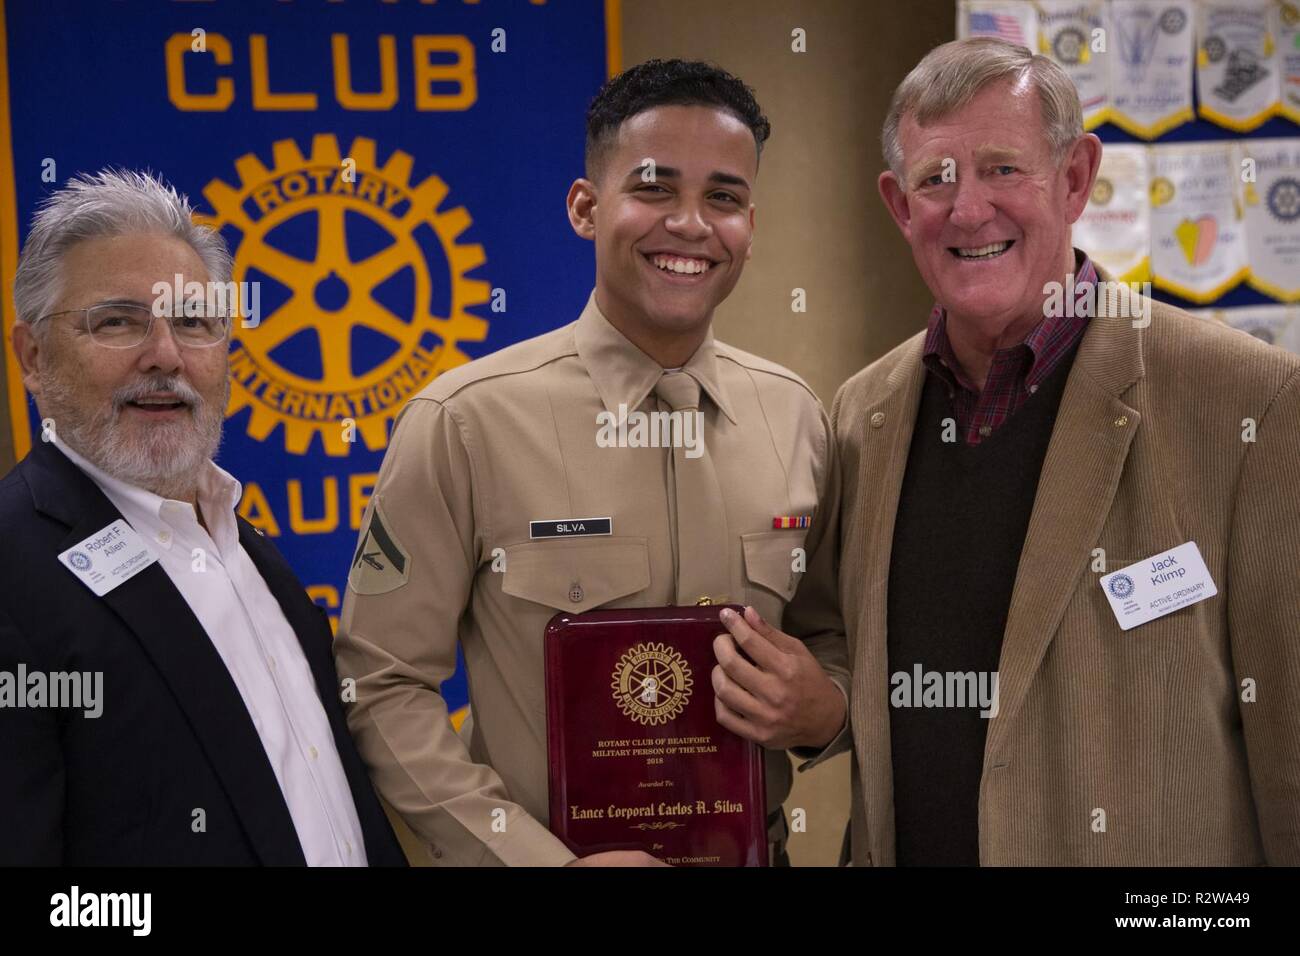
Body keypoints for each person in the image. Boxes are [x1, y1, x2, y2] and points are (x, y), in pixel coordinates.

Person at [724, 37, 1300, 865]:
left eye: (1003, 169)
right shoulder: (861, 416)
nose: (967, 210)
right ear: (898, 203)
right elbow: (843, 657)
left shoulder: (1251, 403)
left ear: (1074, 178)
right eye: (936, 179)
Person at [334, 58, 848, 867]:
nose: (689, 224)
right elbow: (381, 686)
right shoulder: (465, 423)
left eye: (723, 197)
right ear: (586, 207)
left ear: (752, 222)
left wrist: (829, 711)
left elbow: (835, 640)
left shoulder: (799, 418)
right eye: (653, 188)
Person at [0, 170, 405, 866]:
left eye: (194, 321)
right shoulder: (12, 567)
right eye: (118, 321)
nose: (165, 355)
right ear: (33, 357)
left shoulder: (249, 550)